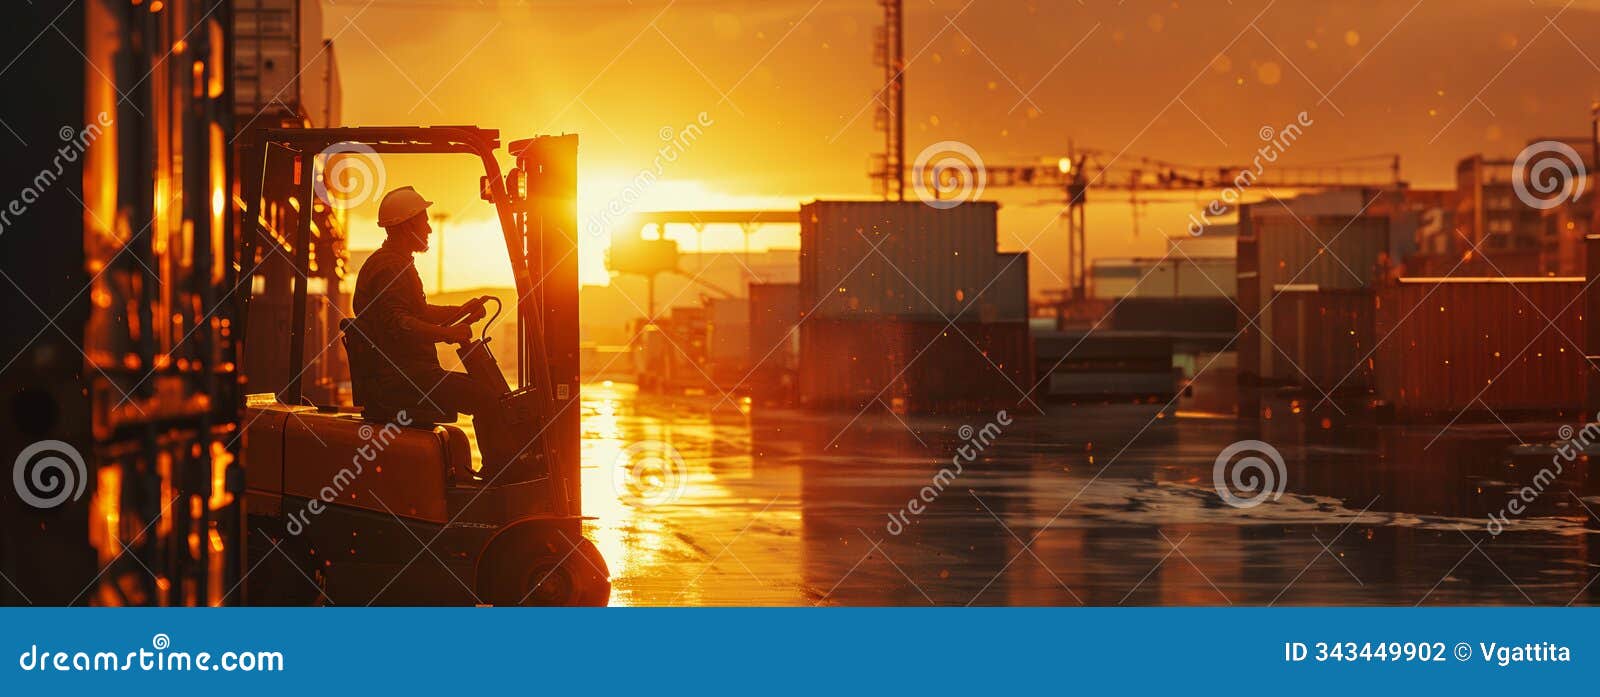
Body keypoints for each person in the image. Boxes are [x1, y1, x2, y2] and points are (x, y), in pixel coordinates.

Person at [351, 186, 514, 470]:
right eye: (423, 221)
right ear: (406, 225)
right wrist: (448, 334)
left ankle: (496, 474)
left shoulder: (394, 263)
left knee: (484, 396)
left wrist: (460, 311)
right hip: (407, 379)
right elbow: (400, 323)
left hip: (408, 374)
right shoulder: (390, 268)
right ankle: (500, 477)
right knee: (486, 398)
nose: (428, 228)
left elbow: (419, 313)